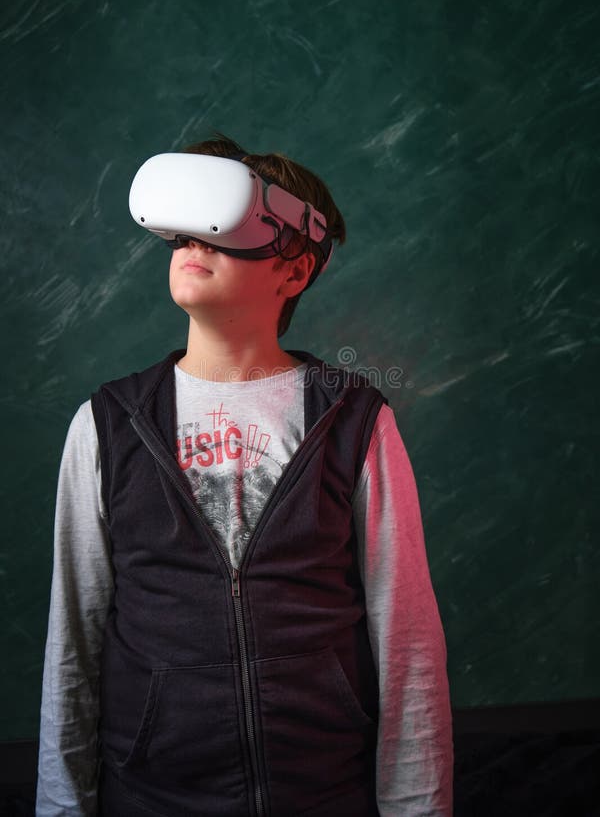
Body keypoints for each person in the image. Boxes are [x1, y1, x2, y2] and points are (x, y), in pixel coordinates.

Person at [36, 136, 453, 816]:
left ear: (294, 269)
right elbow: (73, 643)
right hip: (152, 796)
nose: (193, 242)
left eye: (223, 225)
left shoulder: (355, 421)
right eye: (184, 229)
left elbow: (405, 639)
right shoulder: (108, 425)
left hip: (319, 792)